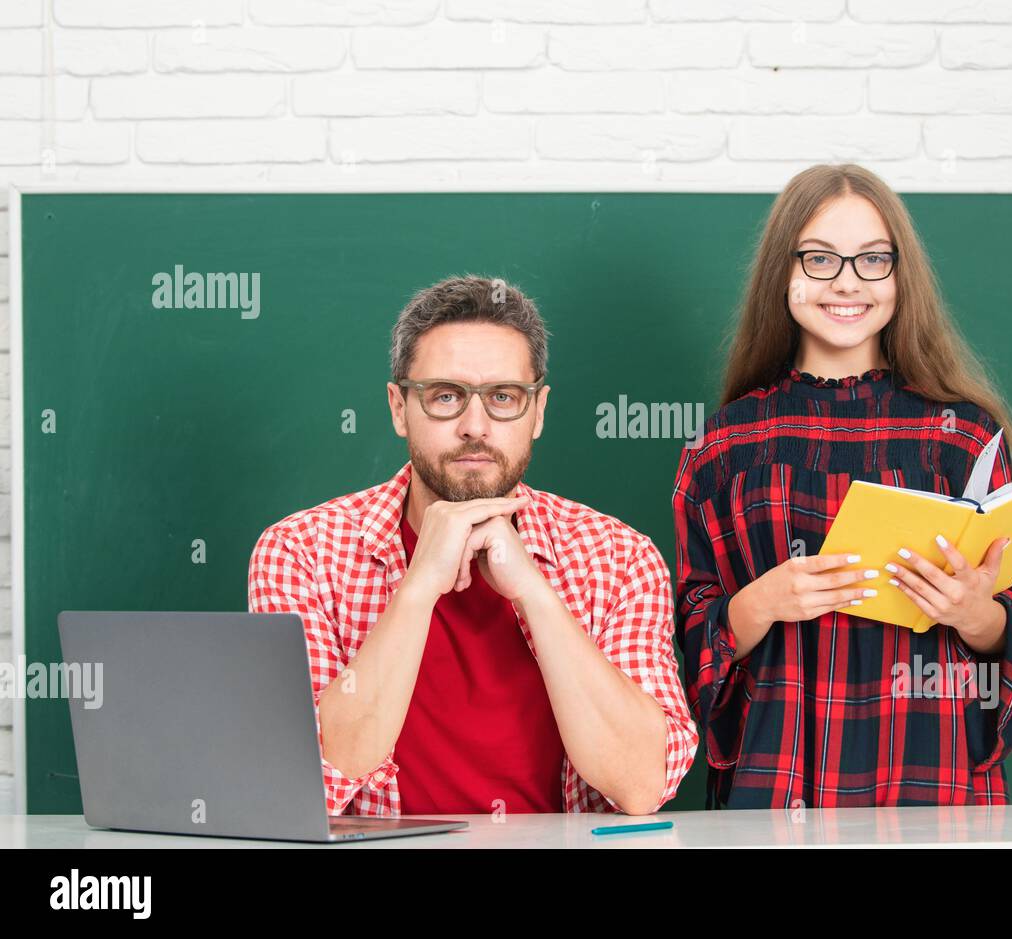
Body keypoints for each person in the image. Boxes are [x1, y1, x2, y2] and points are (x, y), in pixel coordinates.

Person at [249, 275, 696, 816]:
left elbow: (641, 783)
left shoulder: (620, 557)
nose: (475, 426)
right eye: (445, 396)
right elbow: (308, 781)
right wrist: (418, 588)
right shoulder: (300, 553)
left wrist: (534, 591)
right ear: (398, 407)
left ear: (539, 411)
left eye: (503, 397)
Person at [673, 163, 1012, 809]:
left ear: (901, 275)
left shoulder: (962, 436)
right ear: (782, 273)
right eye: (819, 258)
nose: (847, 281)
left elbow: (1005, 623)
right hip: (775, 781)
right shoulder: (724, 444)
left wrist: (971, 612)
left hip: (934, 777)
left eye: (873, 259)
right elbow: (690, 631)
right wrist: (760, 603)